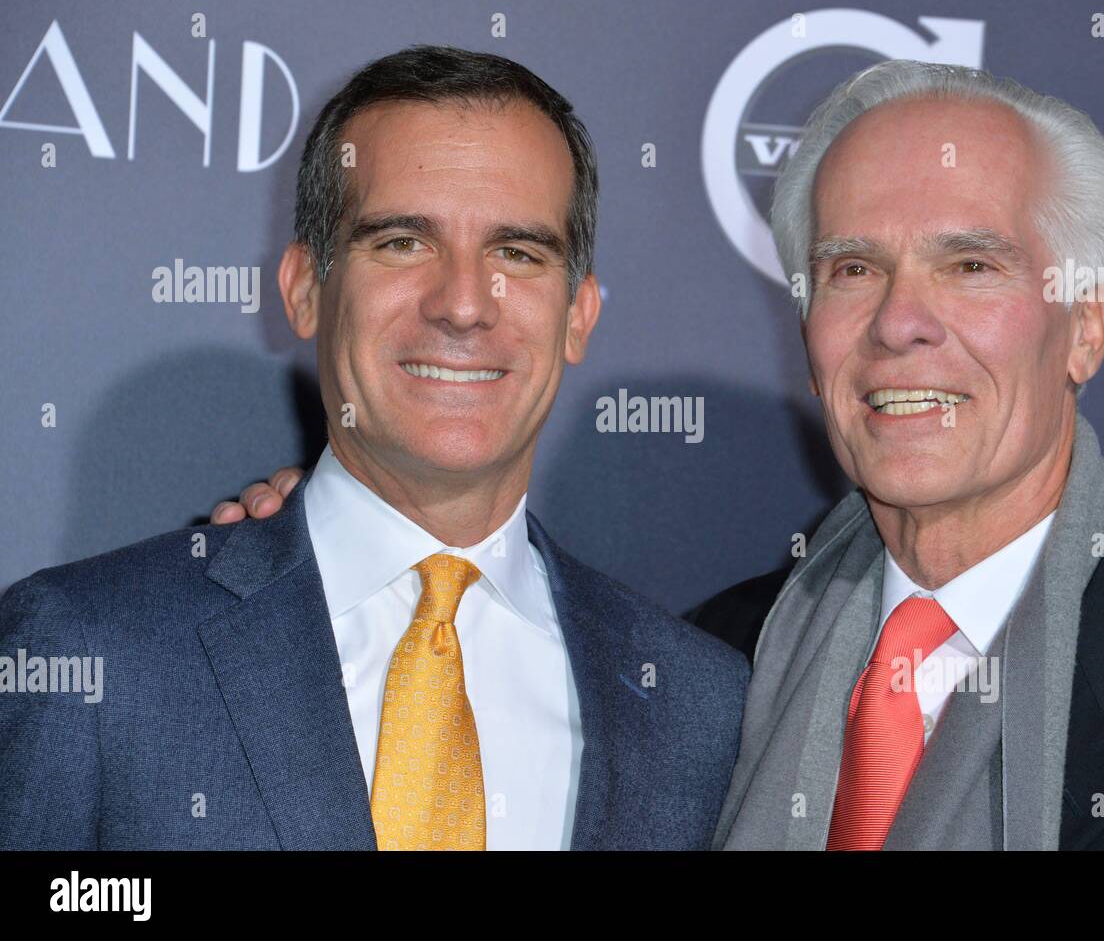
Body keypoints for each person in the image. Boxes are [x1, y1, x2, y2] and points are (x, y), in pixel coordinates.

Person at [212, 60, 1104, 851]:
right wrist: (345, 537)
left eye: (970, 266)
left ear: (1088, 326)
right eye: (852, 269)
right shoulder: (696, 673)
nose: (899, 324)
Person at [0, 46, 748, 851]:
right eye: (401, 242)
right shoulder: (89, 650)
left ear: (579, 316)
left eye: (517, 253)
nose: (464, 304)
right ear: (304, 289)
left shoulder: (700, 704)